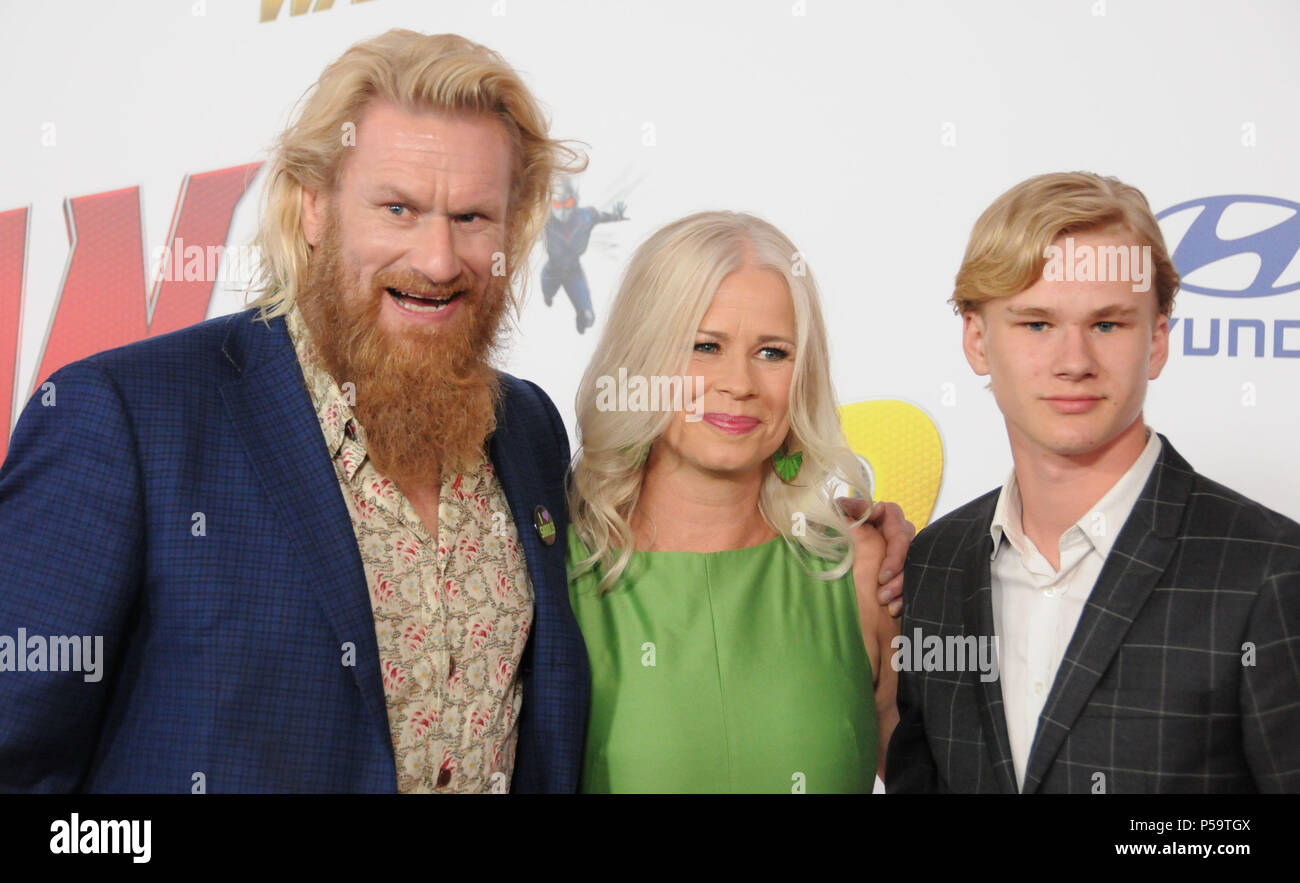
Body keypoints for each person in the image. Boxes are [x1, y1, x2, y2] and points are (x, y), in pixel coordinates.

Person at [0, 30, 591, 793]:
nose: (439, 260)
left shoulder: (529, 428)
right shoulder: (127, 419)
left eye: (473, 217)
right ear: (314, 206)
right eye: (398, 208)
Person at [886, 172, 1300, 793]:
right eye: (1036, 324)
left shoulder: (1271, 572)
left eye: (1107, 325)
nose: (1074, 362)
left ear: (1156, 340)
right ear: (976, 339)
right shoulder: (935, 565)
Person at [567, 211, 902, 793]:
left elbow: (940, 773)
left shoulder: (862, 572)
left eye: (772, 353)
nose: (739, 383)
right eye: (705, 346)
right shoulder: (555, 577)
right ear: (642, 359)